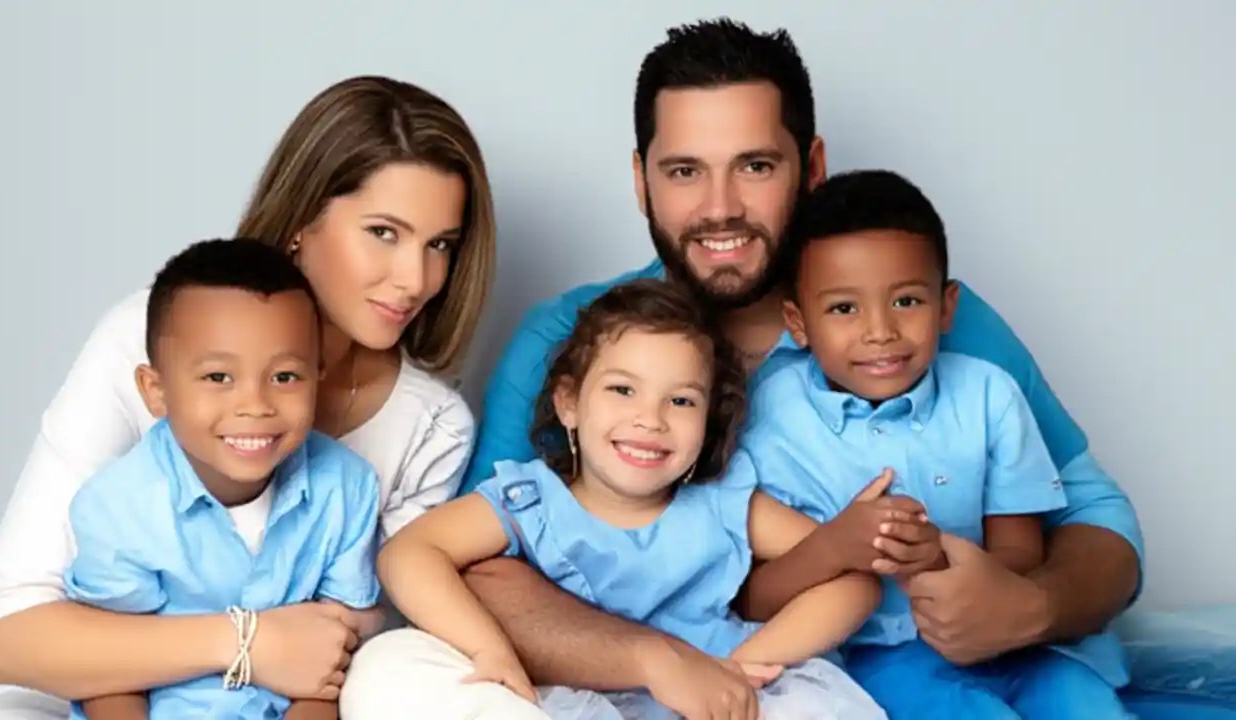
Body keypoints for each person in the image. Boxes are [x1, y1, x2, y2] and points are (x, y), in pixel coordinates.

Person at [370, 16, 1140, 717]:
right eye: (684, 171)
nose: (721, 208)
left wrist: (1032, 608)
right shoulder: (567, 339)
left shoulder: (920, 320)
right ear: (640, 179)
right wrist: (662, 661)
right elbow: (483, 565)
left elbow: (1098, 519)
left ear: (812, 167)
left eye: (756, 166)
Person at [0, 74, 495, 719]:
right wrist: (247, 642)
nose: (415, 279)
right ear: (302, 222)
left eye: (440, 245)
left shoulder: (431, 425)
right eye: (384, 232)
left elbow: (360, 641)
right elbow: (9, 634)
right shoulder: (147, 338)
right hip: (106, 693)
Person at [373, 279, 888, 720]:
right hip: (583, 701)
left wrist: (742, 667)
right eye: (622, 390)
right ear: (569, 404)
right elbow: (409, 553)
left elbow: (852, 580)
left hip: (724, 699)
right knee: (402, 665)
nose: (650, 419)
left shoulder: (722, 503)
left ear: (709, 423)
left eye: (681, 400)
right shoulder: (530, 501)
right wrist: (489, 648)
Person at [736, 168, 1131, 718]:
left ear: (946, 307)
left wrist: (941, 561)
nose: (880, 331)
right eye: (844, 308)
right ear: (798, 323)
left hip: (1011, 641)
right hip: (882, 657)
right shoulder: (773, 419)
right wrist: (833, 547)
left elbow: (1022, 553)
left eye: (906, 301)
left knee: (1082, 705)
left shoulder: (988, 395)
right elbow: (752, 599)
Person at [65, 238, 382, 720]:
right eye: (218, 378)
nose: (254, 405)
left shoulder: (346, 487)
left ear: (318, 377)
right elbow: (109, 673)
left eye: (285, 377)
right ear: (156, 391)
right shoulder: (117, 506)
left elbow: (330, 664)